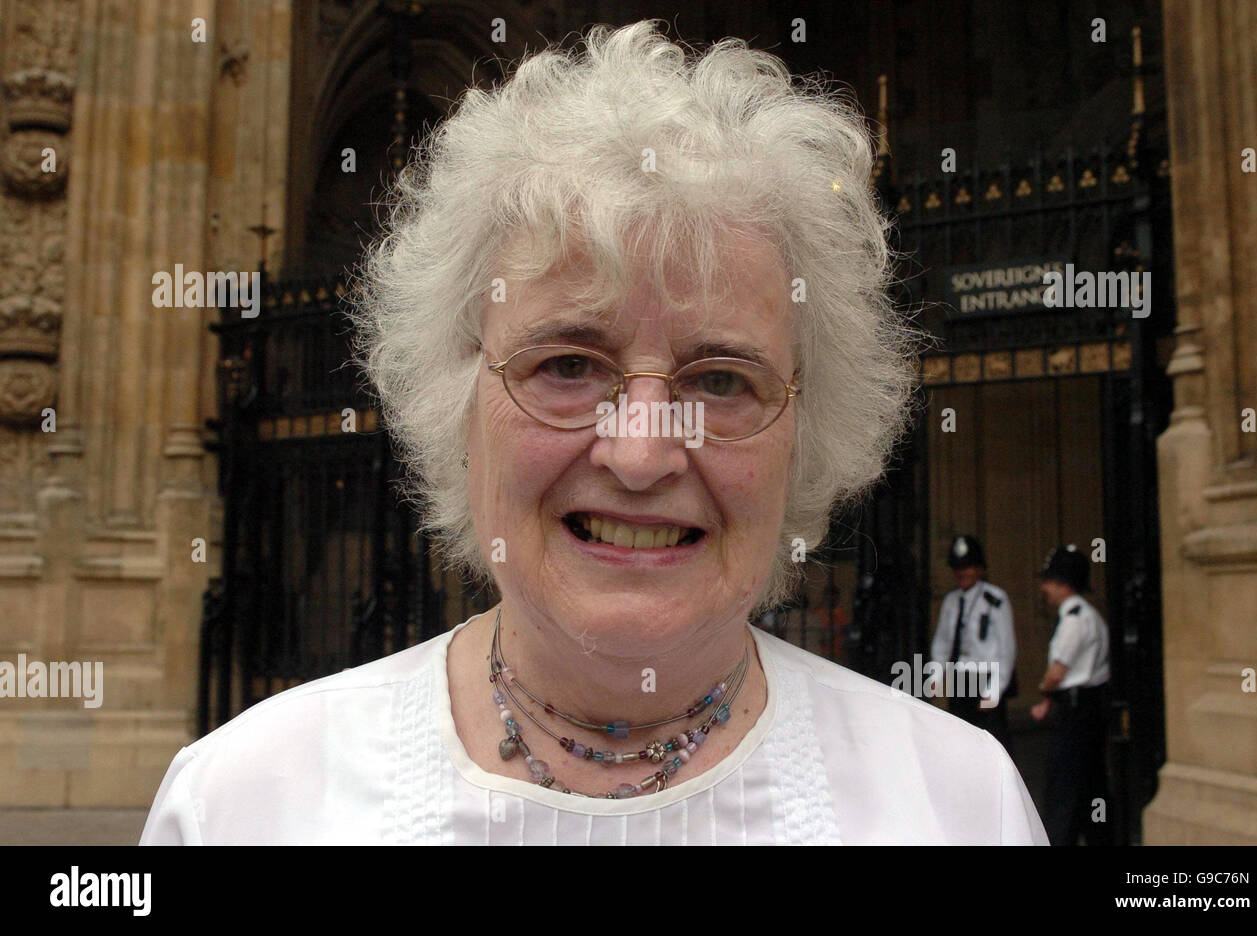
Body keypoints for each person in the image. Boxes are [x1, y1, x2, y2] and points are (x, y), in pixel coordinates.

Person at [139, 21, 1046, 845]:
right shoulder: (243, 805)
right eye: (567, 368)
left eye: (722, 380)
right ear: (458, 400)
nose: (643, 453)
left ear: (808, 430)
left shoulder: (959, 806)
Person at [1030, 545, 1111, 846]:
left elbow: (1057, 671)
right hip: (1088, 709)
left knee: (1063, 790)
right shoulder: (1090, 615)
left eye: (1048, 581)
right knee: (1090, 789)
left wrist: (1043, 697)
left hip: (1076, 714)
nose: (1043, 589)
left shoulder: (1075, 618)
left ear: (1063, 583)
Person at [929, 534, 1016, 751]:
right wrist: (936, 675)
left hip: (986, 676)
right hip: (961, 680)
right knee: (961, 741)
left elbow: (1007, 649)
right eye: (957, 567)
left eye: (967, 567)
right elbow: (942, 643)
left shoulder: (995, 599)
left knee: (992, 743)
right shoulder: (951, 601)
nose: (962, 573)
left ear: (979, 568)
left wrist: (994, 690)